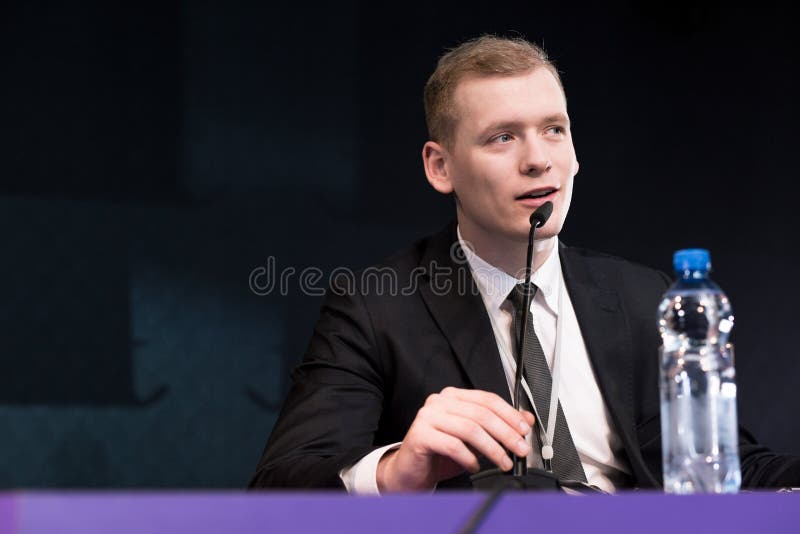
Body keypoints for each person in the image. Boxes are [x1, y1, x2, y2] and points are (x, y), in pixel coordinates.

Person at [249, 35, 800, 493]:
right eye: (503, 137)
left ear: (575, 153)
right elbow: (280, 486)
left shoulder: (640, 296)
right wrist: (398, 470)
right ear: (440, 167)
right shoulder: (374, 308)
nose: (538, 159)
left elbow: (719, 469)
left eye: (553, 129)